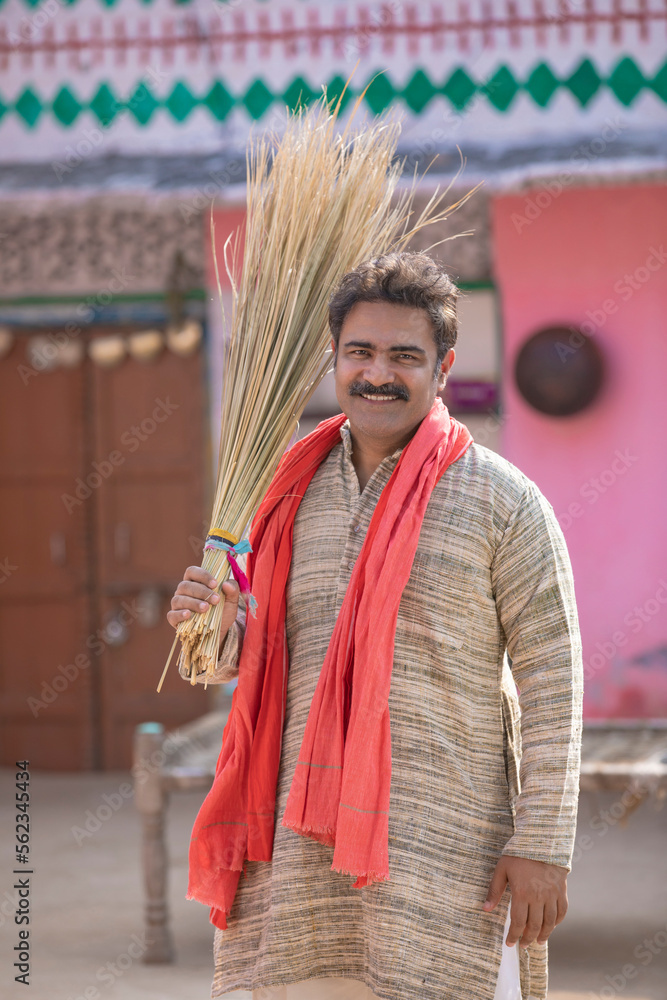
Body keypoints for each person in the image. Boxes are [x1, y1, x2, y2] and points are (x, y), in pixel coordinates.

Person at [167, 251, 583, 1000]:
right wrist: (206, 630)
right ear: (333, 360)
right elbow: (244, 666)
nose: (377, 373)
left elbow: (553, 680)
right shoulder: (277, 496)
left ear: (443, 366)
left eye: (404, 355)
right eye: (359, 352)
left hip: (445, 850)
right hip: (295, 856)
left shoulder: (503, 501)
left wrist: (544, 842)